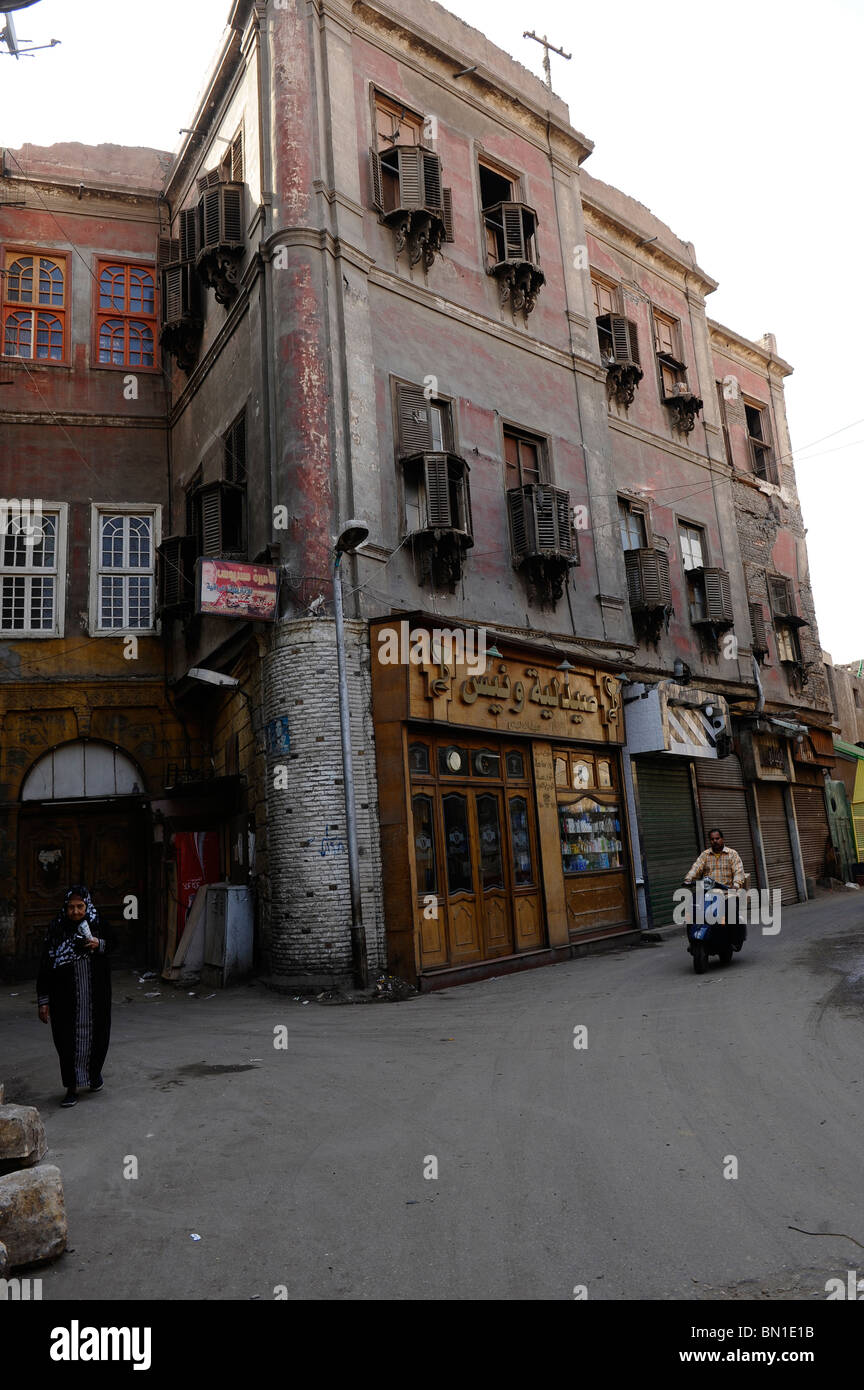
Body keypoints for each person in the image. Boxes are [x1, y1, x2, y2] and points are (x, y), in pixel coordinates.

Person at [36, 885, 111, 1108]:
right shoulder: (56, 930)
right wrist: (44, 1000)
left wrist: (99, 944)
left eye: (80, 907)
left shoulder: (98, 925)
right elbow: (45, 966)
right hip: (65, 1001)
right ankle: (71, 1087)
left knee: (99, 1037)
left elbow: (115, 944)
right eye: (71, 907)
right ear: (65, 908)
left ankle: (94, 1074)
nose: (76, 912)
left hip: (95, 998)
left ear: (87, 906)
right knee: (66, 1043)